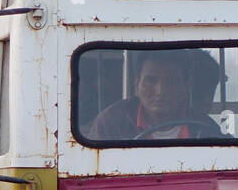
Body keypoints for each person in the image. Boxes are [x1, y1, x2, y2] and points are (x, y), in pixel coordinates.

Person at [88, 50, 220, 140]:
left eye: (170, 81)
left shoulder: (205, 127)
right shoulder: (110, 124)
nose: (160, 91)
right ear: (136, 86)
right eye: (151, 80)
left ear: (186, 87)